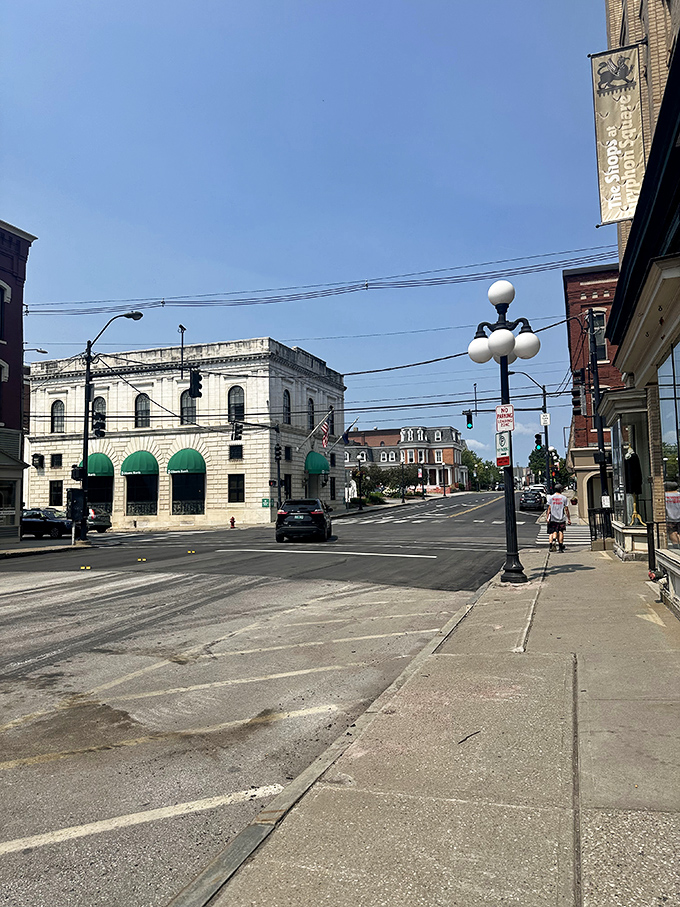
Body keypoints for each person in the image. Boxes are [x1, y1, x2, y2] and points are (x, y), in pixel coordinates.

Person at [546, 483, 571, 552]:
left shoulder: (551, 498)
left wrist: (547, 517)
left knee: (553, 530)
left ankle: (553, 541)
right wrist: (568, 518)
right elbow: (566, 509)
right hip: (561, 518)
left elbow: (549, 508)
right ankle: (560, 547)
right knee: (561, 532)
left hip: (553, 517)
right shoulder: (564, 498)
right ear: (561, 490)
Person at [664, 481, 680, 545]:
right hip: (679, 517)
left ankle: (675, 545)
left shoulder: (664, 496)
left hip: (669, 518)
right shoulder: (679, 494)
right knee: (678, 533)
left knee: (671, 532)